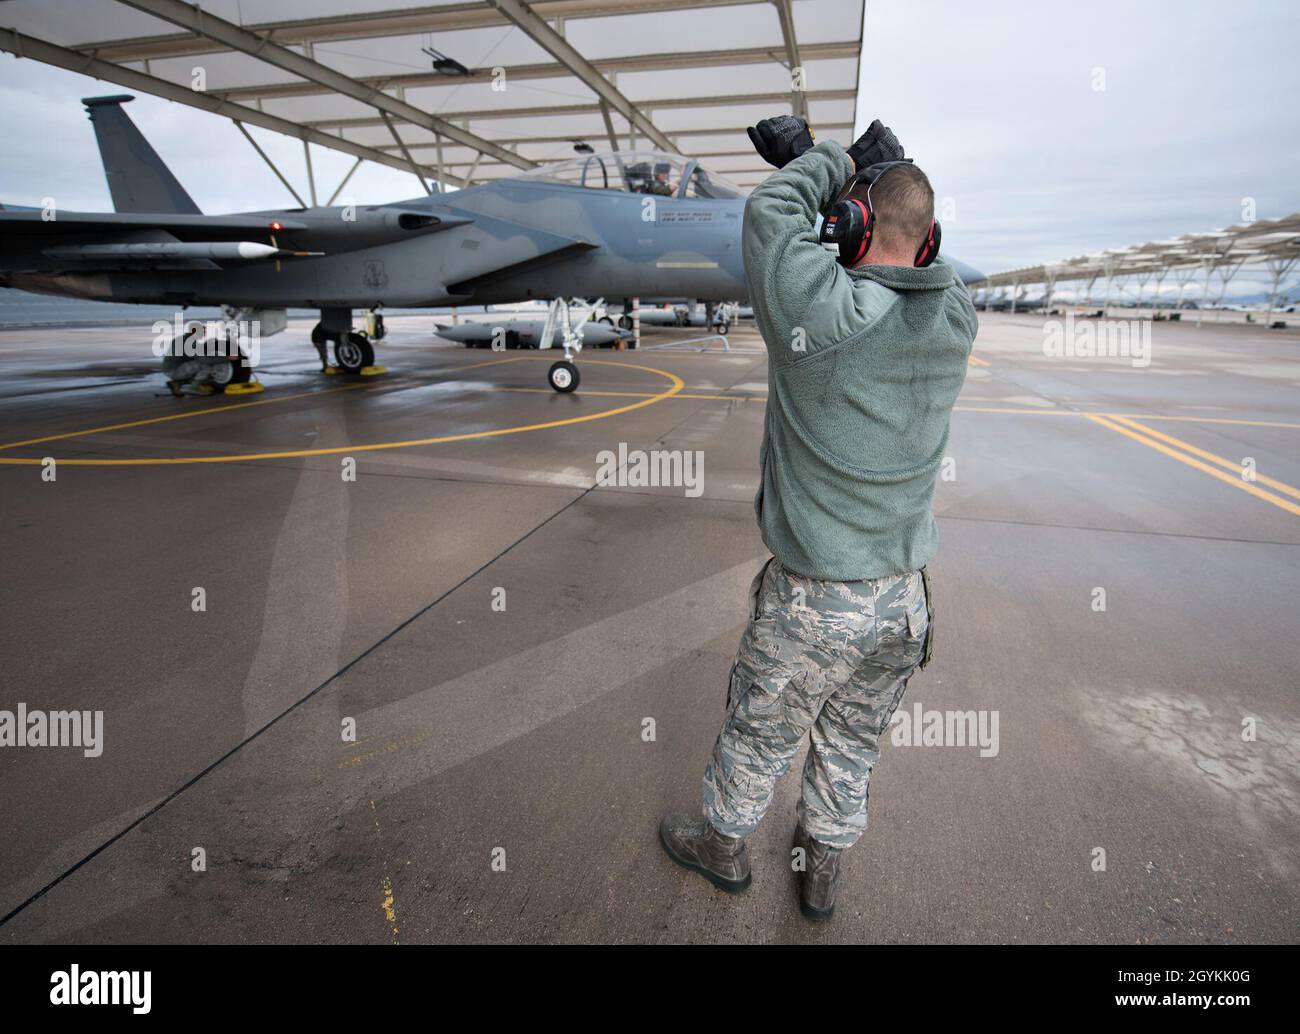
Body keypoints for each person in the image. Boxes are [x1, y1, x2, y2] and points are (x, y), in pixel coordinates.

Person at [658, 116, 978, 921]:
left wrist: (822, 160)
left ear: (852, 226)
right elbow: (928, 261)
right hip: (903, 602)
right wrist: (886, 176)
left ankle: (724, 849)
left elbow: (770, 214)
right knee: (852, 741)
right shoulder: (955, 323)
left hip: (816, 602)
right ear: (931, 240)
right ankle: (822, 871)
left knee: (762, 731)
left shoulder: (818, 317)